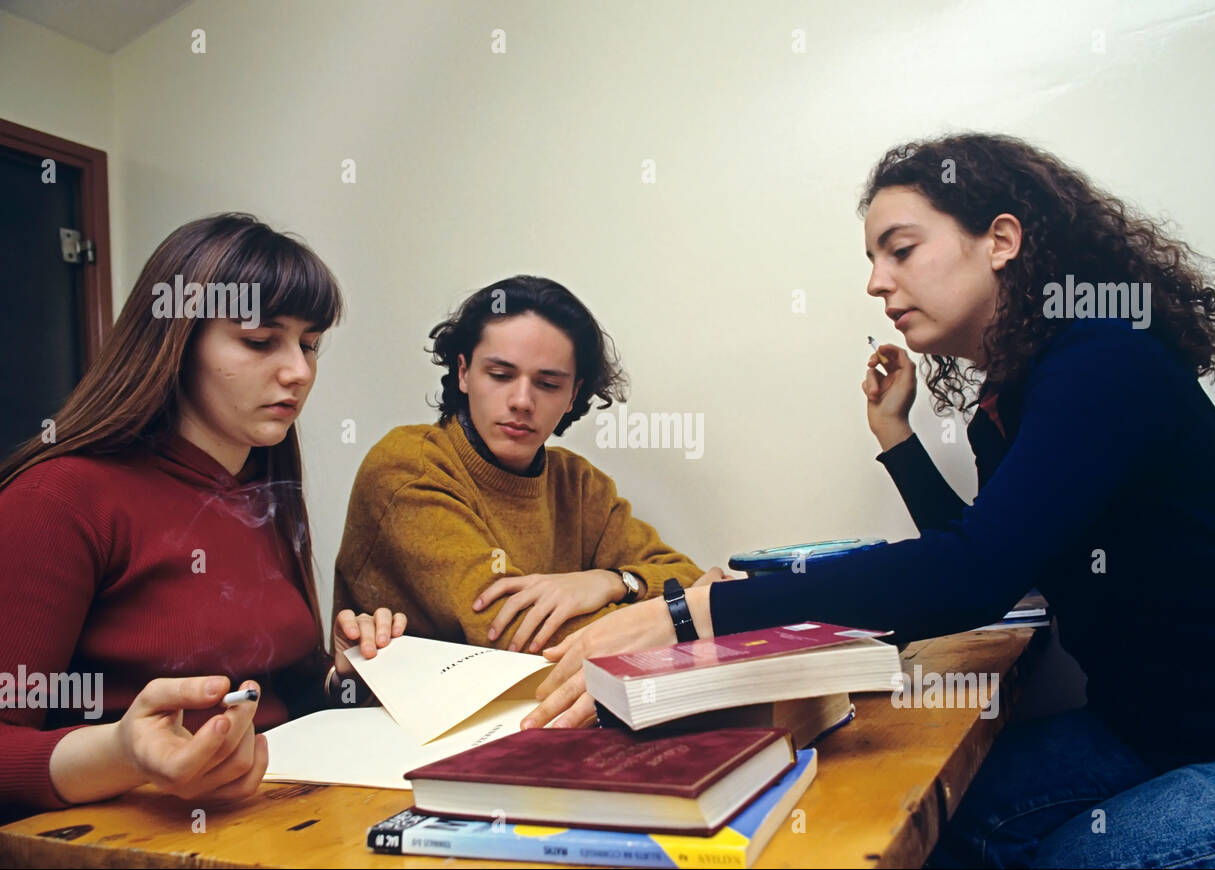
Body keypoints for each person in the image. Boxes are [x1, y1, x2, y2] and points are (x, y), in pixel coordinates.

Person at [521, 133, 1215, 867]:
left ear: (1000, 240)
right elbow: (995, 561)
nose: (875, 282)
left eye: (900, 249)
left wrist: (689, 613)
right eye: (871, 259)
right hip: (1151, 730)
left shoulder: (1103, 360)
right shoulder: (1016, 393)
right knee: (945, 821)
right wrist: (895, 433)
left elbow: (971, 574)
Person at [0, 213, 402, 822]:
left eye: (310, 343)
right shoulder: (60, 498)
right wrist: (123, 752)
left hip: (279, 812)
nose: (298, 370)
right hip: (128, 840)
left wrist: (344, 677)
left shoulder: (262, 486)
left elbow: (274, 691)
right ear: (177, 341)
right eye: (260, 340)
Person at [334, 275, 717, 671]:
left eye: (547, 384)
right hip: (405, 723)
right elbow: (517, 631)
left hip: (545, 712)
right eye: (500, 375)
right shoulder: (408, 467)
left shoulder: (578, 483)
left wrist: (611, 581)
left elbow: (686, 575)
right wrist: (684, 619)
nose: (521, 401)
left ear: (572, 395)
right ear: (463, 373)